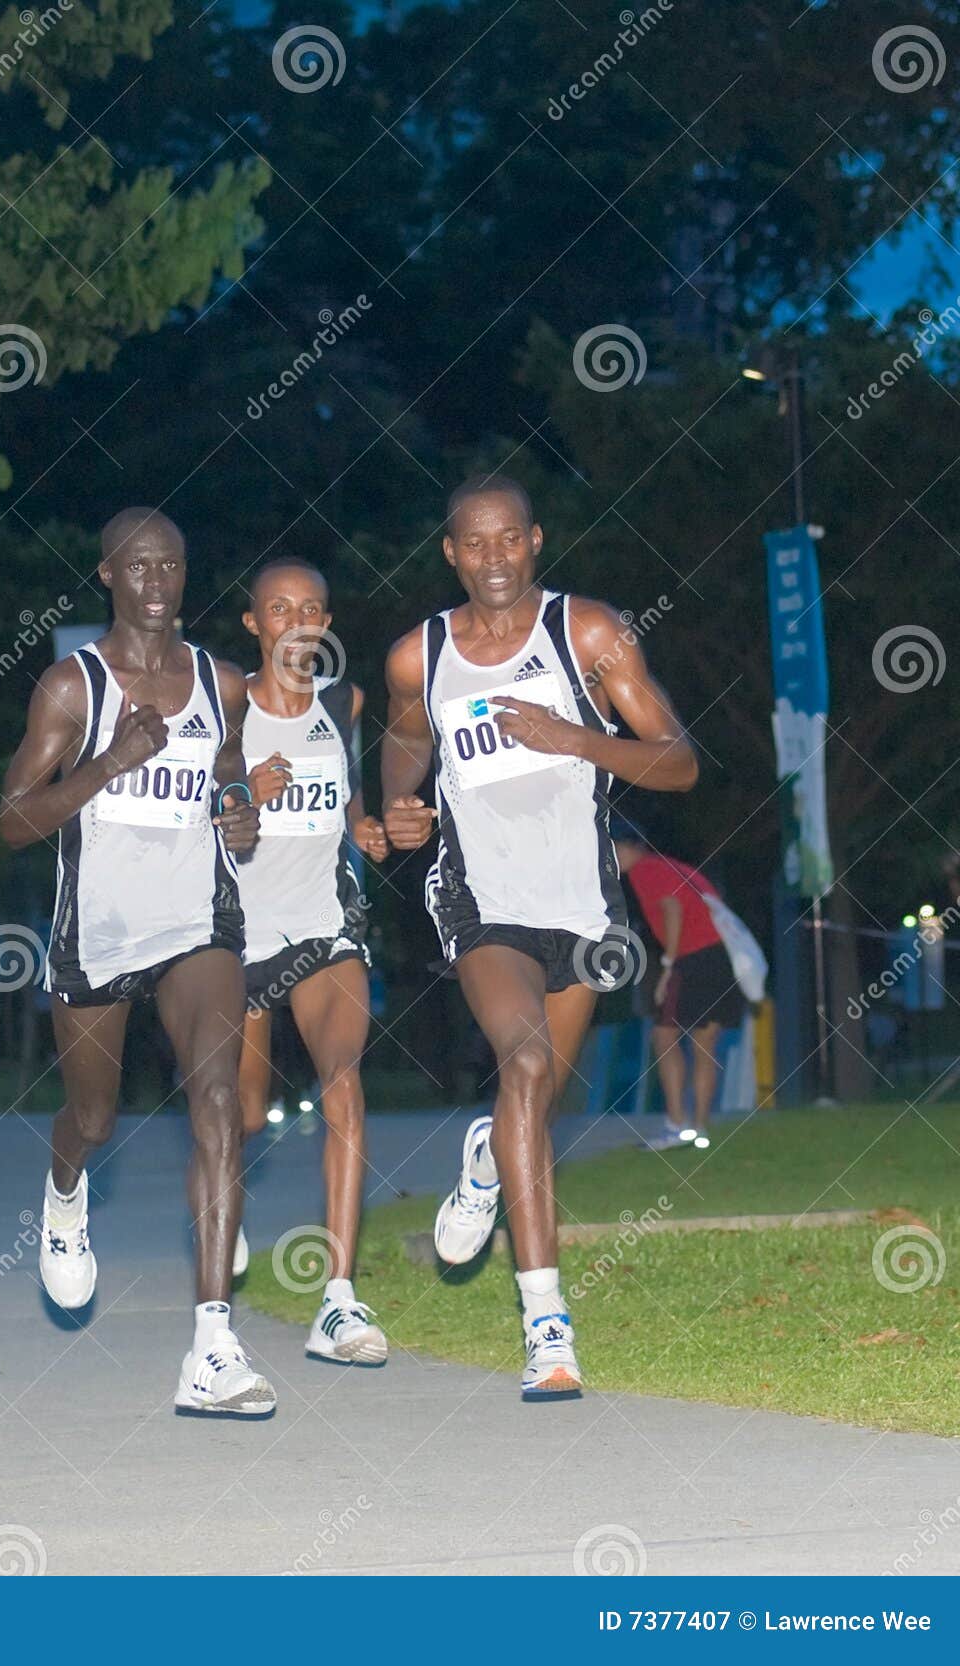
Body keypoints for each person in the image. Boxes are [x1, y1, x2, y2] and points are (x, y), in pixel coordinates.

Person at [381, 474, 698, 1400]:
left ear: (536, 541)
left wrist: (576, 738)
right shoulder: (420, 655)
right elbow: (406, 743)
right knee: (521, 1069)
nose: (493, 559)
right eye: (473, 544)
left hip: (581, 904)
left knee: (536, 1099)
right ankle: (547, 1322)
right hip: (481, 898)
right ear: (451, 553)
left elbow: (678, 762)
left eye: (509, 540)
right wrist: (399, 806)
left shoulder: (589, 634)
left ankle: (487, 1158)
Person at [0, 507, 273, 1417]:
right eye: (139, 567)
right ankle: (64, 1191)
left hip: (199, 921)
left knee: (220, 1100)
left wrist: (238, 807)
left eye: (173, 566)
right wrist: (111, 759)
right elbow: (13, 821)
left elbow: (228, 765)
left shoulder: (222, 682)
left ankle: (213, 1346)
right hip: (100, 931)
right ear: (107, 575)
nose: (157, 583)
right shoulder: (71, 689)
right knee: (95, 1116)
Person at [233, 558, 391, 1364]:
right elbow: (186, 811)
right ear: (254, 622)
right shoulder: (223, 708)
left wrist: (363, 826)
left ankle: (337, 1299)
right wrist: (239, 799)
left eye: (313, 610)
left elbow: (348, 790)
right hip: (237, 939)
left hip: (325, 927)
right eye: (280, 608)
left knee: (343, 1083)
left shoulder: (344, 701)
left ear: (325, 625)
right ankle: (220, 1205)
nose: (298, 623)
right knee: (246, 1115)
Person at [615, 834, 745, 1149]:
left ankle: (676, 1124)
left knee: (663, 1036)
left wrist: (669, 963)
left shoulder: (645, 870)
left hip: (692, 959)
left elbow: (671, 908)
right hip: (722, 957)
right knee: (704, 1046)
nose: (610, 856)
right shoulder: (677, 868)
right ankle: (699, 1128)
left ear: (634, 846)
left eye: (614, 848)